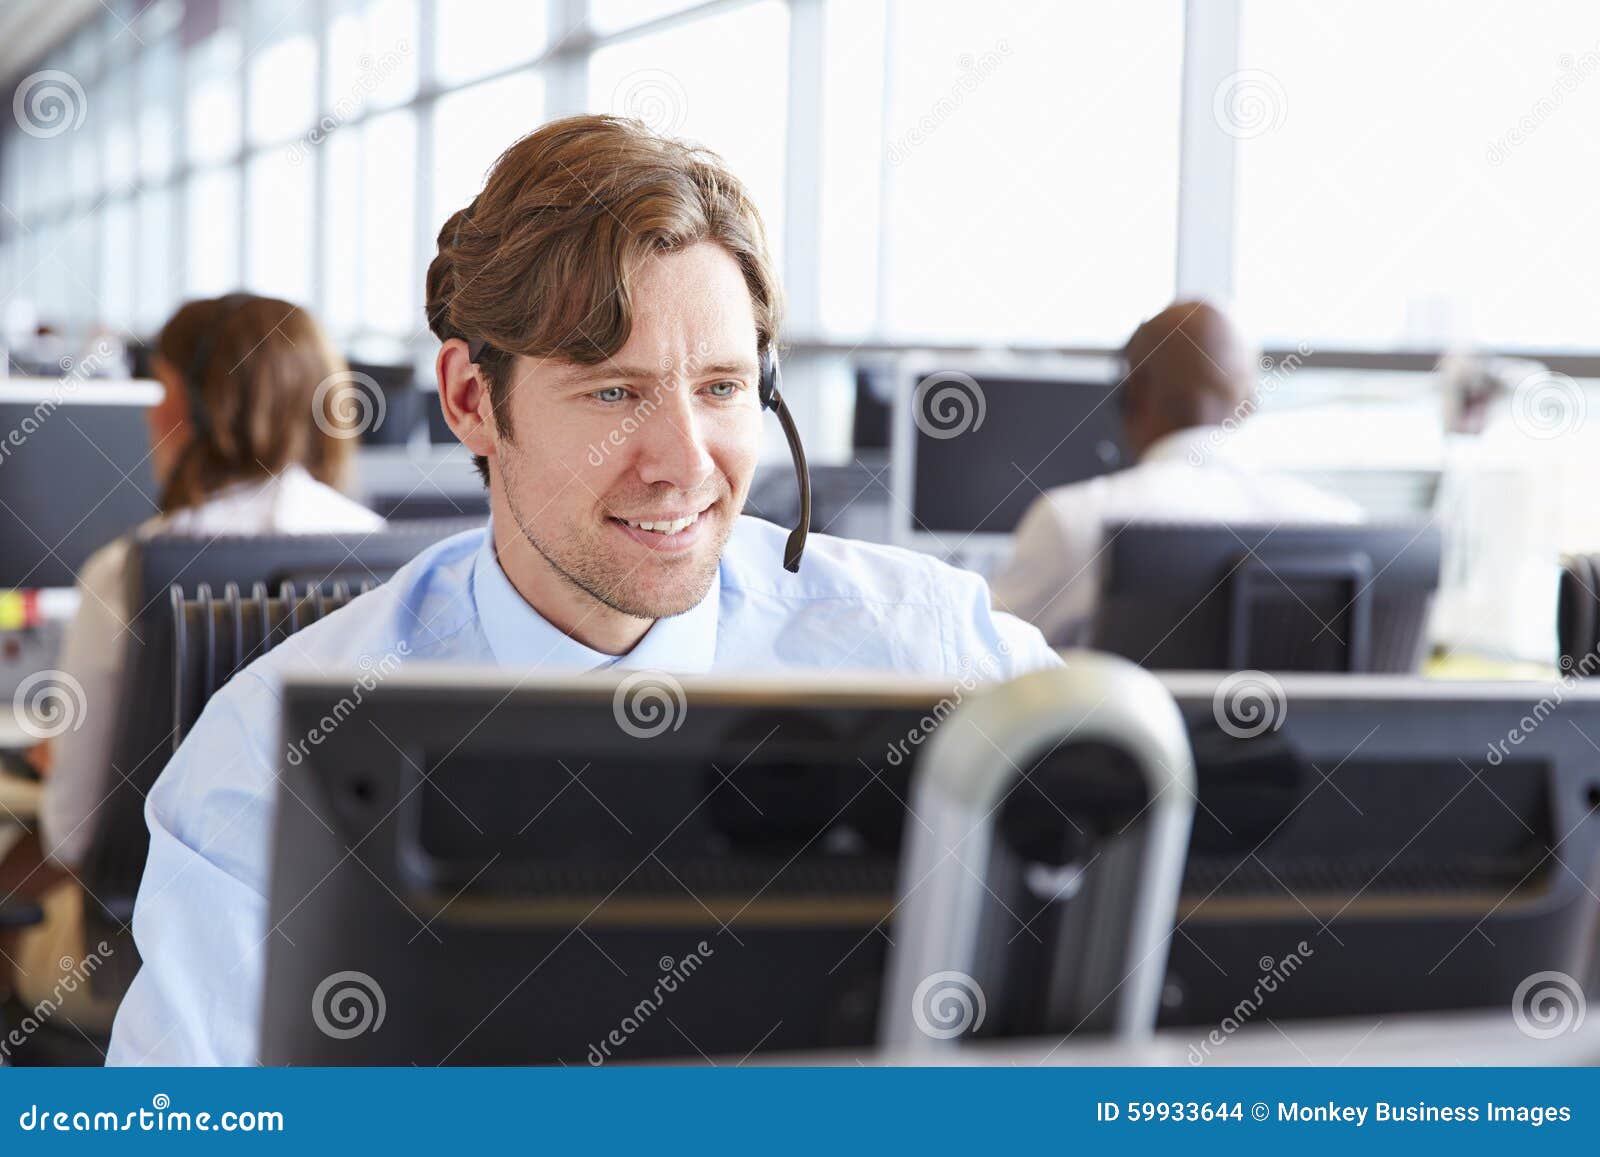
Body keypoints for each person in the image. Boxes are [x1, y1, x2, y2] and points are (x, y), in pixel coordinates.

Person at [105, 116, 1059, 1065]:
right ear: (474, 399)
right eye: (614, 393)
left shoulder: (938, 655)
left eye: (723, 388)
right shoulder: (267, 755)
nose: (685, 464)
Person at [1, 295, 384, 1035]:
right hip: (331, 957)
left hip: (140, 957)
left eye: (165, 391)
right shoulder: (391, 558)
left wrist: (63, 767)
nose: (151, 417)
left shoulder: (131, 570)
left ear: (199, 411)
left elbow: (75, 835)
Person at [990, 300, 1364, 647]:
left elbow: (979, 657)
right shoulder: (1342, 527)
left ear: (1132, 397)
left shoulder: (1073, 520)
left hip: (1114, 721)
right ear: (1248, 404)